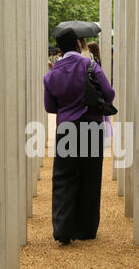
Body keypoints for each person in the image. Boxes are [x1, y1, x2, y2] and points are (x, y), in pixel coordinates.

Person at [43, 28, 115, 245]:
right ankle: (86, 228)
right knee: (90, 177)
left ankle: (63, 229)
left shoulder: (51, 75)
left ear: (59, 49)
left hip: (66, 128)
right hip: (91, 125)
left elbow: (50, 107)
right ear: (77, 44)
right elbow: (109, 93)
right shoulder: (90, 65)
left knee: (64, 178)